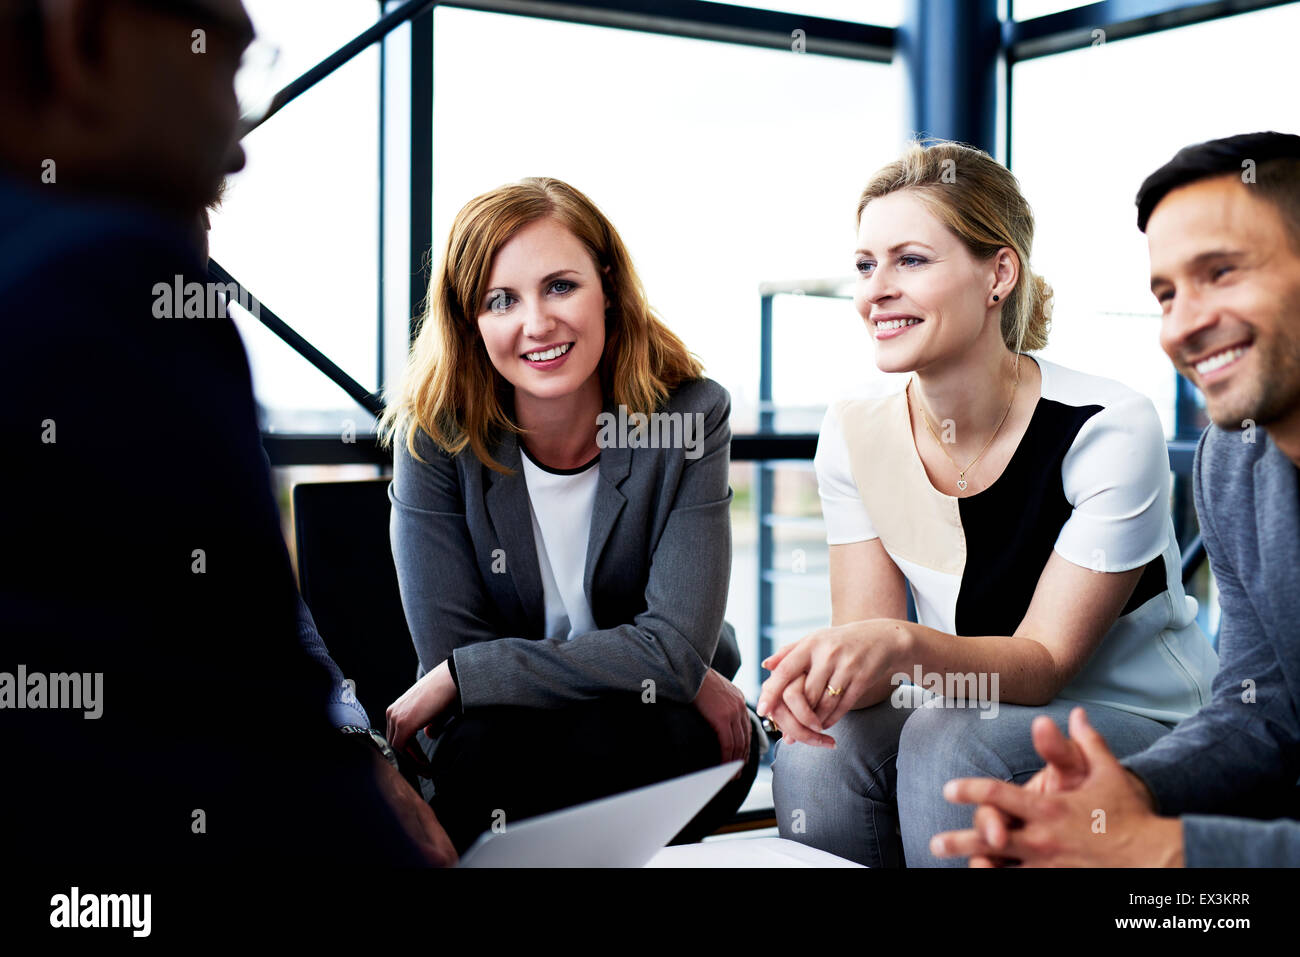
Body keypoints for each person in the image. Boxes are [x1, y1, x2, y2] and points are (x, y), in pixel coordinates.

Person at [0, 0, 453, 866]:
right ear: (82, 39)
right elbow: (251, 735)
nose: (237, 143)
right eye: (226, 64)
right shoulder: (101, 293)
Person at [757, 140, 1219, 867]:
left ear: (998, 273)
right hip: (960, 703)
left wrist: (901, 645)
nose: (876, 288)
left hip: (1141, 721)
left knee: (952, 738)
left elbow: (1042, 664)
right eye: (865, 264)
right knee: (824, 747)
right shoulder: (854, 428)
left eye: (910, 260)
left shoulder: (1105, 423)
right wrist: (825, 678)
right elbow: (873, 649)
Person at [932, 130, 1300, 867]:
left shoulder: (1112, 425)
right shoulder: (1233, 460)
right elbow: (1264, 710)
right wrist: (1118, 796)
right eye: (1166, 293)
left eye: (1221, 273)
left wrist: (1172, 850)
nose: (1182, 324)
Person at [379, 176, 760, 854]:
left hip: (657, 721)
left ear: (607, 286)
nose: (537, 322)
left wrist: (470, 675)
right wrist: (662, 661)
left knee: (693, 740)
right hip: (506, 738)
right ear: (471, 320)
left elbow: (674, 653)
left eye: (560, 286)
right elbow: (448, 652)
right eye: (501, 300)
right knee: (484, 757)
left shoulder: (689, 415)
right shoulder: (434, 438)